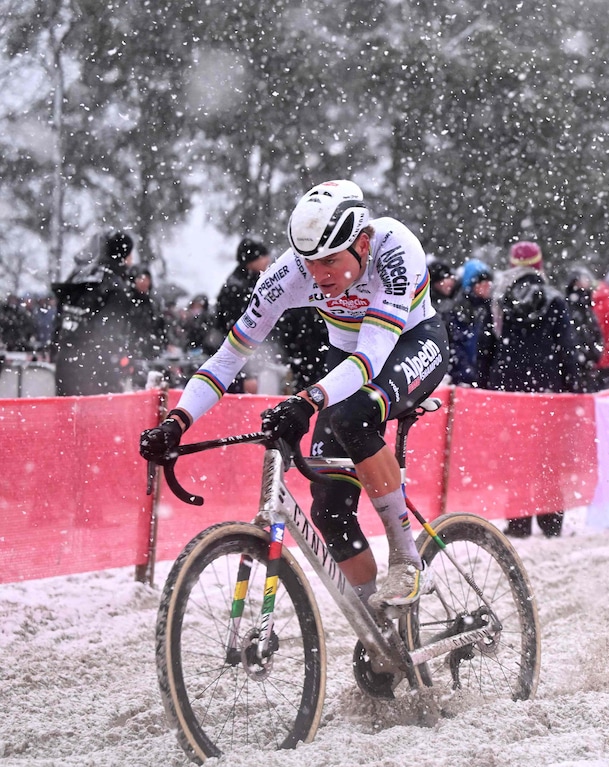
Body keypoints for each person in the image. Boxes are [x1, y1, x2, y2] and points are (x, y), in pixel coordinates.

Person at [140, 179, 449, 609]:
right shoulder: (288, 274)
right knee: (329, 512)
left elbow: (371, 358)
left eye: (330, 260)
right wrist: (177, 422)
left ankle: (406, 558)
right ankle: (377, 622)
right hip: (346, 358)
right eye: (310, 262)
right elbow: (227, 359)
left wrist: (307, 400)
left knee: (353, 416)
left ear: (362, 244)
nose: (319, 274)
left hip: (412, 343)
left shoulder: (394, 248)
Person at [487, 240, 578, 538]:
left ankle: (519, 521)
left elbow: (486, 346)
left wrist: (486, 386)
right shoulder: (554, 300)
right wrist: (572, 385)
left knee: (517, 457)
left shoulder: (499, 299)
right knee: (549, 456)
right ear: (539, 264)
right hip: (547, 390)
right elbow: (566, 348)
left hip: (510, 390)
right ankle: (551, 521)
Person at [52, 229, 138, 396]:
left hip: (66, 361)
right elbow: (108, 334)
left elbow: (59, 320)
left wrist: (57, 347)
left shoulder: (79, 278)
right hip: (96, 369)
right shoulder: (114, 287)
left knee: (66, 409)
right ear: (124, 256)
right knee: (96, 412)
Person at [212, 237, 273, 393]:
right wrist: (246, 374)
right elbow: (237, 332)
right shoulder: (236, 288)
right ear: (251, 260)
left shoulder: (255, 280)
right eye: (263, 256)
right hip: (239, 361)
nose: (267, 259)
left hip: (254, 357)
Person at [445, 258, 496, 387]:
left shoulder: (490, 308)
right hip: (463, 380)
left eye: (488, 283)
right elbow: (456, 346)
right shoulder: (459, 309)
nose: (487, 287)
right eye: (482, 283)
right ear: (472, 285)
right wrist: (468, 374)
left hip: (482, 379)